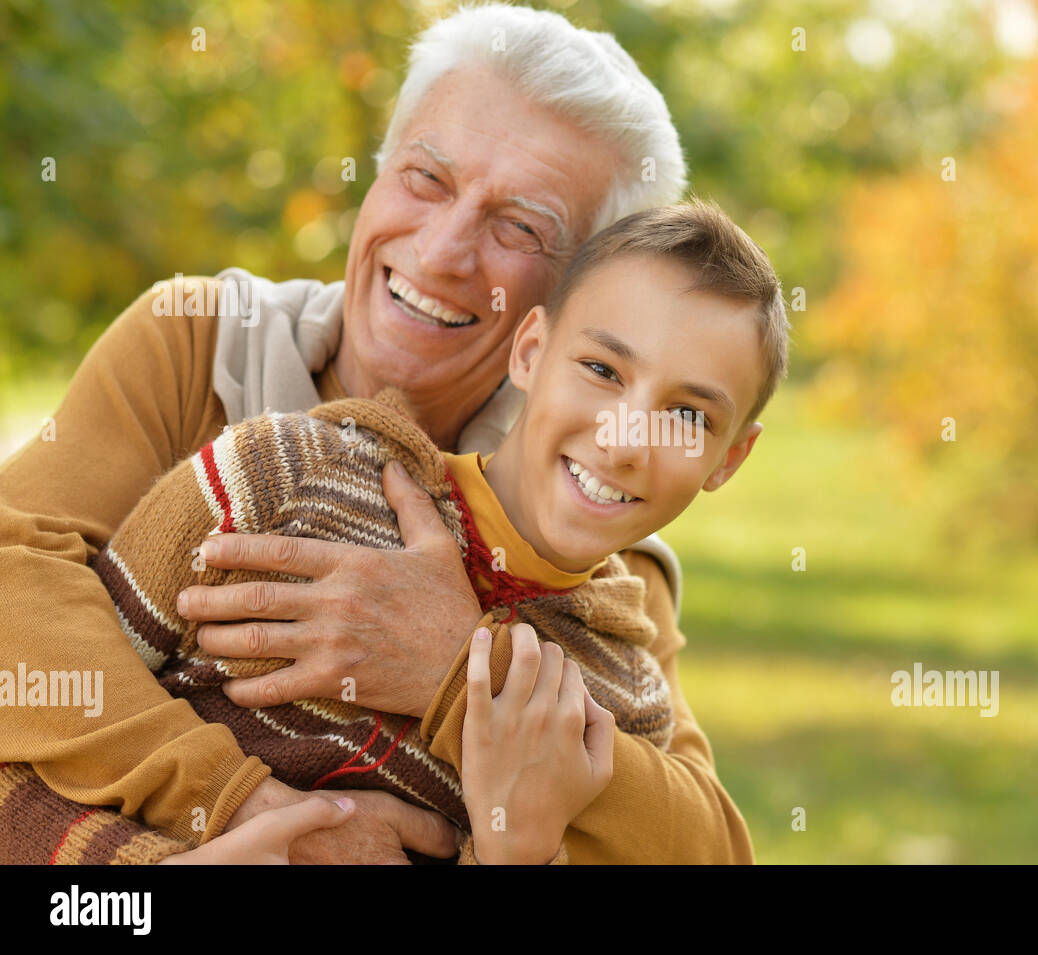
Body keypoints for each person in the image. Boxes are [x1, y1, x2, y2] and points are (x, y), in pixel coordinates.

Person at [0, 3, 755, 863]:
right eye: (426, 179)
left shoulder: (590, 521)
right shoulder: (203, 341)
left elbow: (707, 845)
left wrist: (462, 668)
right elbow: (12, 582)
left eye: (521, 228)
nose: (440, 252)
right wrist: (237, 807)